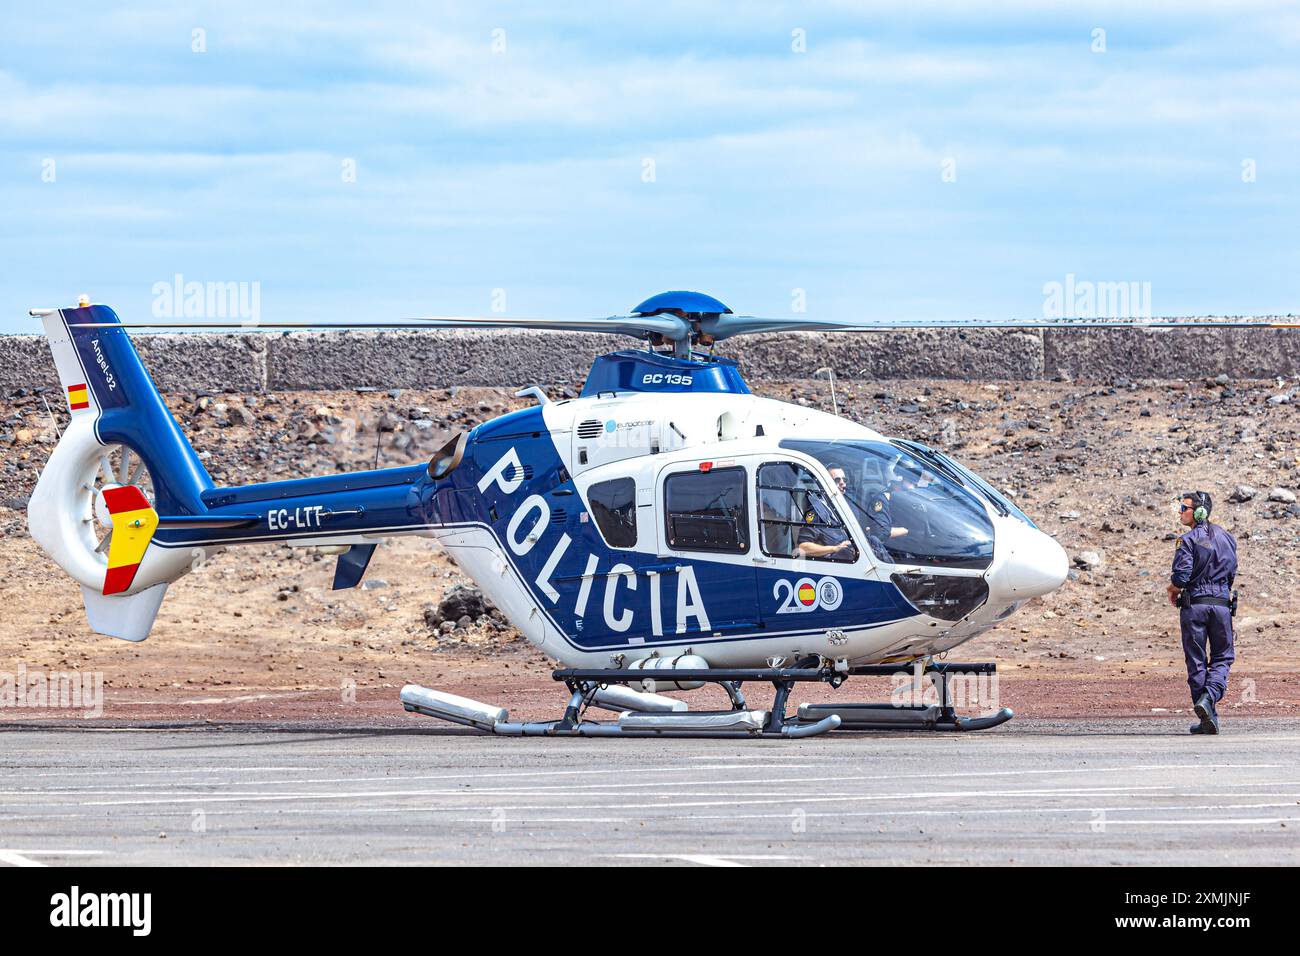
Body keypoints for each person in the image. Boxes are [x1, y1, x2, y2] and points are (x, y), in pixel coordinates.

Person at [1167, 490, 1238, 735]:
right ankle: (1210, 711)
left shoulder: (1187, 541)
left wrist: (1172, 589)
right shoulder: (1228, 538)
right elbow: (1231, 573)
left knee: (1197, 662)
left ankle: (1206, 701)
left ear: (1198, 512)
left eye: (1184, 508)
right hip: (1221, 607)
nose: (1180, 512)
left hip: (1194, 606)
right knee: (1223, 658)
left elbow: (1181, 577)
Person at [794, 468, 856, 559]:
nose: (843, 483)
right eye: (837, 480)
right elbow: (803, 547)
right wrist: (835, 548)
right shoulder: (817, 511)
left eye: (844, 480)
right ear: (826, 484)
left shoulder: (848, 507)